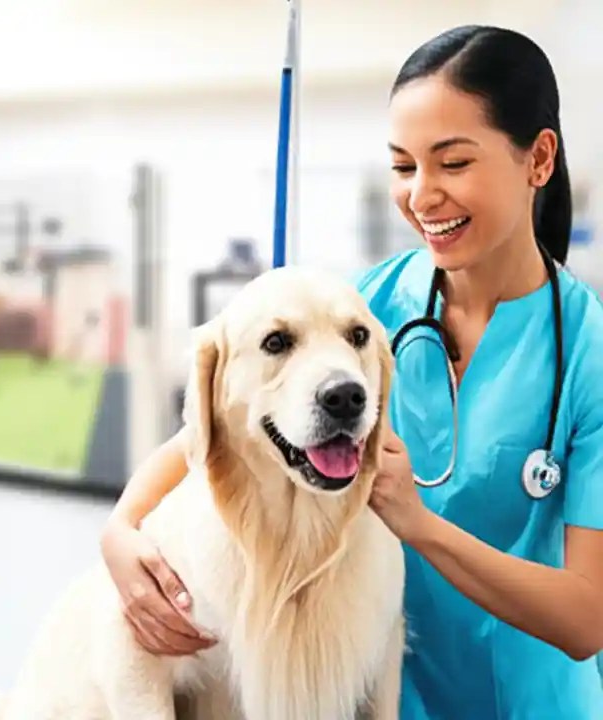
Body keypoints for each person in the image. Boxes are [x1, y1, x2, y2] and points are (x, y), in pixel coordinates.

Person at [100, 25, 603, 718]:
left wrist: (415, 523)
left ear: (538, 159)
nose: (422, 195)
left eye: (452, 163)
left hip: (527, 702)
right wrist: (121, 533)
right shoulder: (369, 307)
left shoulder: (589, 353)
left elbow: (586, 619)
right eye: (403, 166)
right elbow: (219, 427)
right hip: (380, 692)